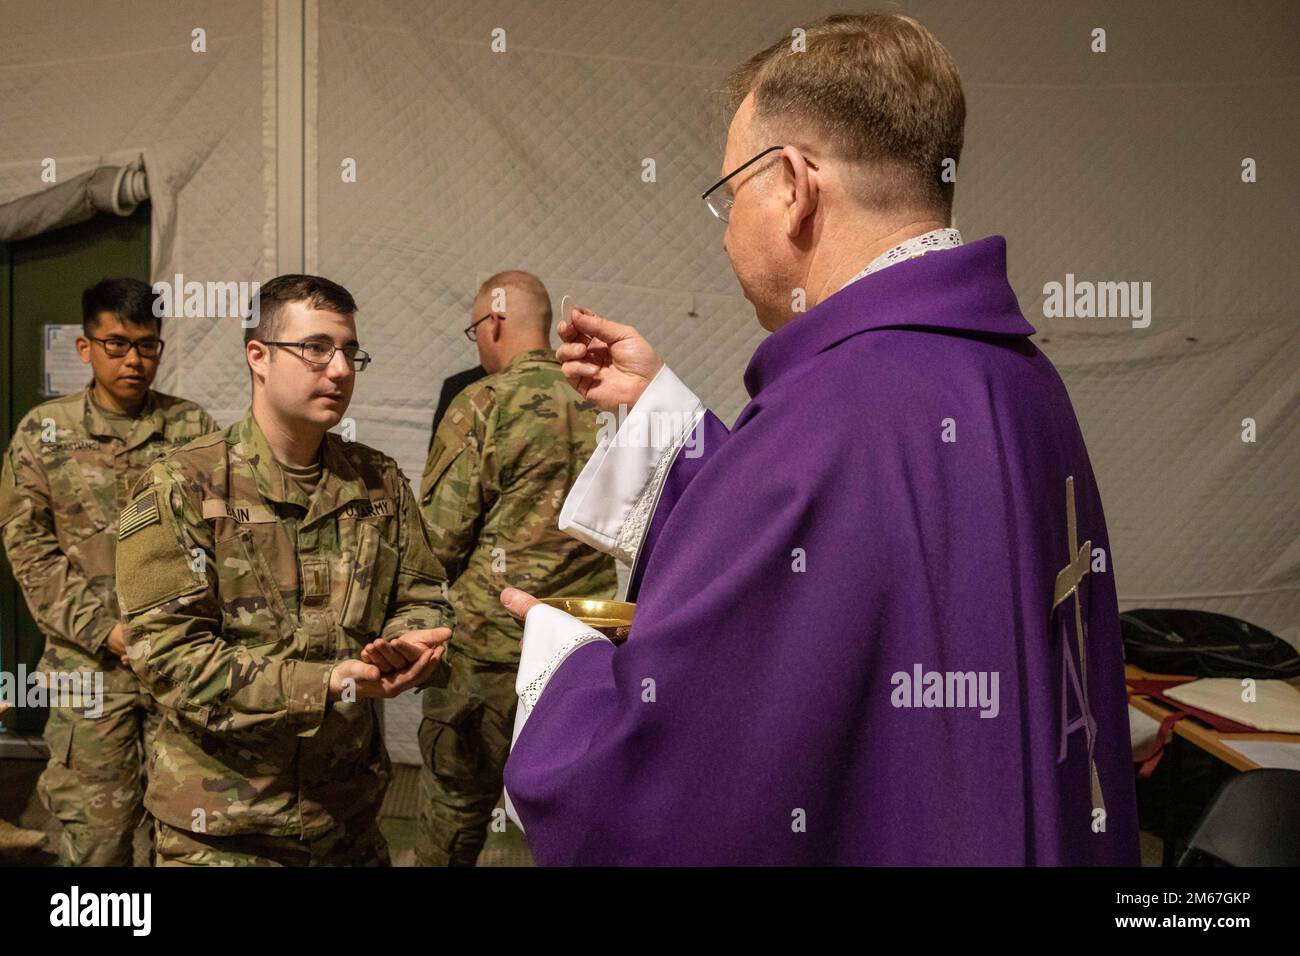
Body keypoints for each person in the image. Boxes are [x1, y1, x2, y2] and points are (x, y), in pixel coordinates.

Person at [500, 12, 1139, 865]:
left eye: (729, 197)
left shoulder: (839, 409)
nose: (727, 230)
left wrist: (564, 662)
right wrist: (664, 419)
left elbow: (659, 793)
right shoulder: (1014, 377)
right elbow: (857, 561)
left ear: (794, 186)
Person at [114, 274, 453, 866]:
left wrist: (409, 643)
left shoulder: (378, 481)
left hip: (347, 819)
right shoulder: (182, 487)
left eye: (350, 351)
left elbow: (422, 592)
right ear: (259, 357)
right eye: (316, 348)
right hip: (223, 829)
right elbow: (168, 659)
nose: (340, 369)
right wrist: (326, 683)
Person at [0, 277, 217, 866]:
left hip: (178, 669)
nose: (133, 360)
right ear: (84, 347)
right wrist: (105, 631)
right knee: (97, 843)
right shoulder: (44, 434)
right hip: (88, 674)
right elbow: (29, 552)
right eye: (116, 344)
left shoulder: (193, 431)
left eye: (147, 345)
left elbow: (223, 543)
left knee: (183, 835)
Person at [415, 270, 615, 866]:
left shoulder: (483, 403)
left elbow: (437, 544)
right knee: (569, 822)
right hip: (582, 652)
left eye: (475, 329)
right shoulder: (607, 400)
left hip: (487, 657)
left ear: (494, 323)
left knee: (455, 810)